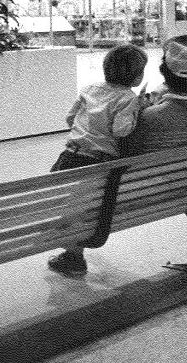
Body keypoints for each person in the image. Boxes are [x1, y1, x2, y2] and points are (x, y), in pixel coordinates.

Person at [49, 37, 187, 277]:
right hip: (179, 193)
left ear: (162, 71)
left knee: (78, 198)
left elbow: (122, 142)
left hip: (108, 189)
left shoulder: (148, 119)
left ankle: (73, 255)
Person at [47, 43, 149, 276]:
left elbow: (70, 117)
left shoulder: (90, 88)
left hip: (69, 157)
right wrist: (137, 111)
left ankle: (72, 254)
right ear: (135, 77)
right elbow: (121, 131)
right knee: (87, 208)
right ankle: (74, 255)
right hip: (98, 163)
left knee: (69, 206)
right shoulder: (127, 98)